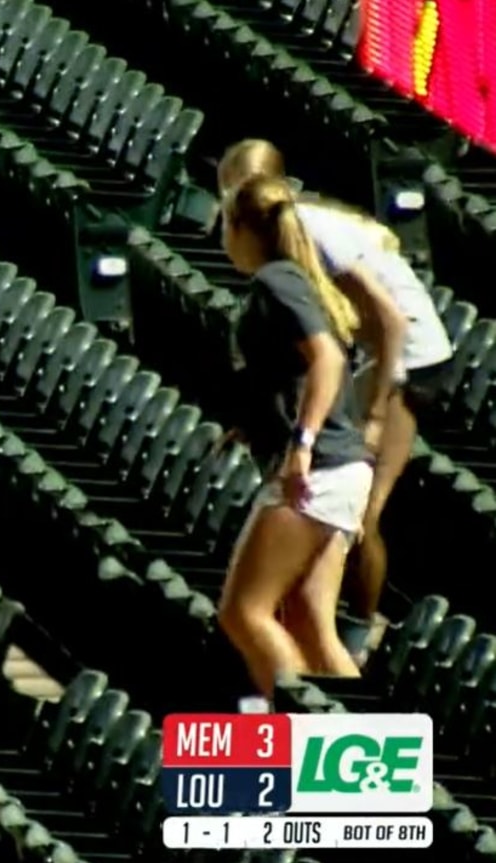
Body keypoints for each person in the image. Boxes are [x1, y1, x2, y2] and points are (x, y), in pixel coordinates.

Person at [217, 140, 454, 664]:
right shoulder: (286, 260)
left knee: (356, 520)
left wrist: (367, 415)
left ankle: (358, 633)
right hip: (354, 387)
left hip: (409, 362)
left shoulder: (289, 258)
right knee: (304, 610)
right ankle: (336, 706)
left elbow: (377, 328)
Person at [216, 175, 374, 700]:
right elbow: (293, 372)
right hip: (344, 469)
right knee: (309, 621)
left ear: (241, 228)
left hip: (321, 467)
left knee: (245, 612)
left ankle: (296, 742)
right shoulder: (293, 278)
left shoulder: (276, 280)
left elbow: (327, 358)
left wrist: (301, 444)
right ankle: (379, 766)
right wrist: (255, 423)